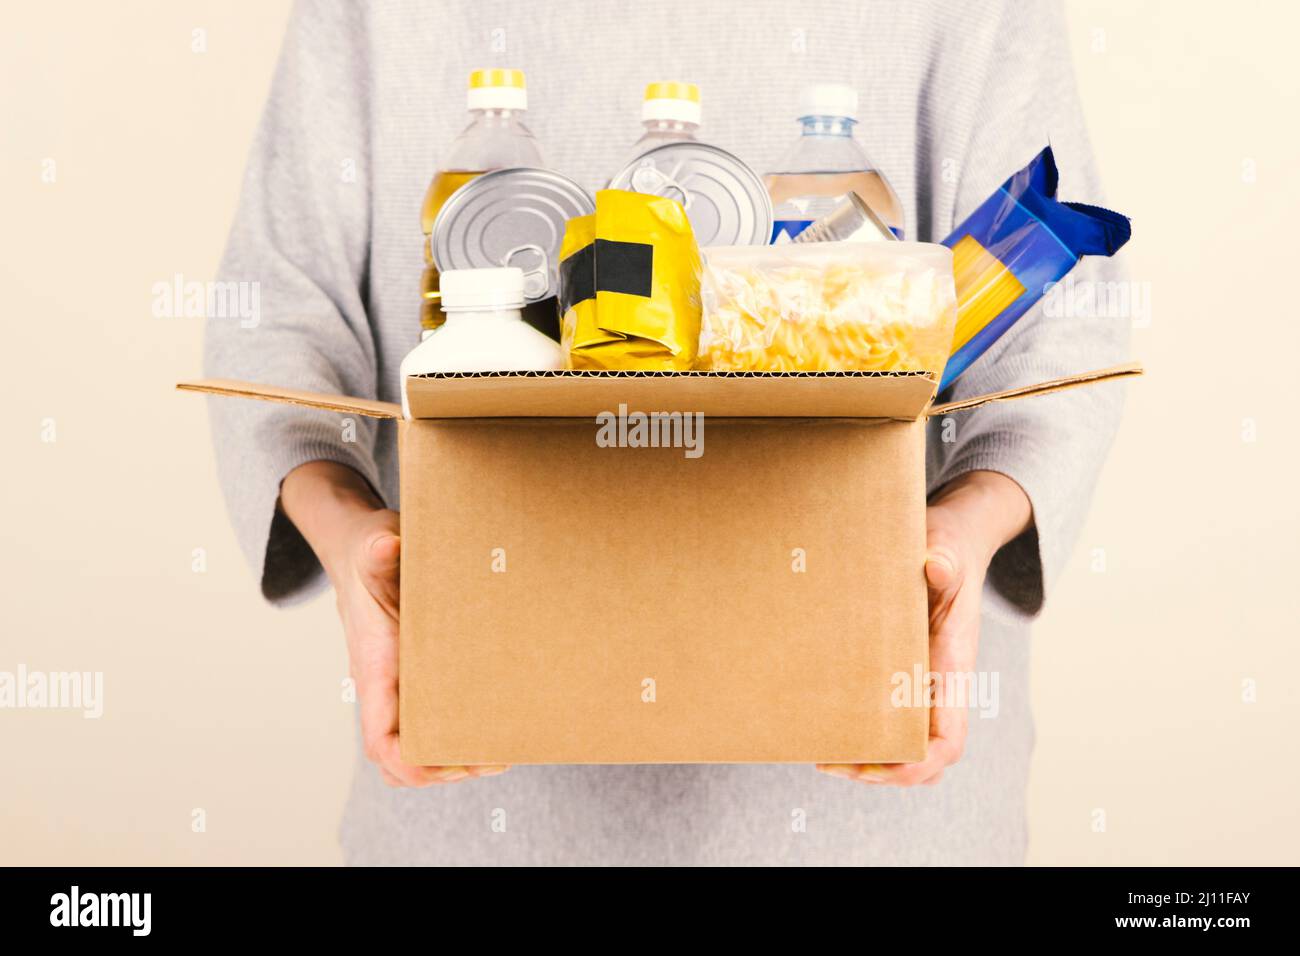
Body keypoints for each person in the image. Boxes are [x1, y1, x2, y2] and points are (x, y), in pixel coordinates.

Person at [205, 0, 1128, 865]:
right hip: (476, 815)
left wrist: (967, 529)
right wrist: (347, 531)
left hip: (875, 821)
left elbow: (1057, 339)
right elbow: (278, 321)